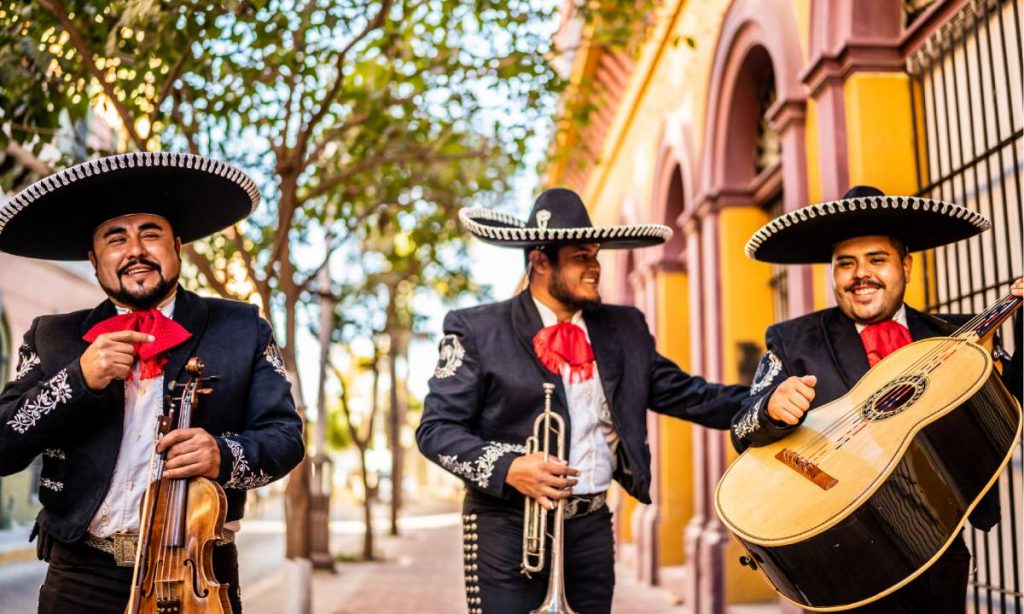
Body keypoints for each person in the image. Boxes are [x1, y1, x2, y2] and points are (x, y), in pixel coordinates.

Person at [416, 188, 760, 614]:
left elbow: (691, 395)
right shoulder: (476, 329)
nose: (595, 267)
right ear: (540, 261)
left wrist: (767, 401)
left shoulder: (624, 327)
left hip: (591, 526)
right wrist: (509, 467)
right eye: (581, 257)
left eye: (596, 255)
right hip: (505, 527)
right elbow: (436, 431)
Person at [0, 152, 306, 613]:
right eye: (115, 238)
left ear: (177, 245)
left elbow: (286, 440)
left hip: (195, 576)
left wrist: (222, 455)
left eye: (151, 233)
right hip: (80, 574)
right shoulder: (50, 336)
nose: (135, 250)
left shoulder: (244, 328)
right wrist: (77, 379)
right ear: (95, 259)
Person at [732, 185, 1022, 613]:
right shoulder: (793, 340)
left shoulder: (957, 338)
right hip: (838, 551)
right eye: (845, 263)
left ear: (905, 265)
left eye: (877, 260)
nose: (859, 274)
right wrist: (771, 410)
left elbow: (1012, 396)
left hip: (938, 550)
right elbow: (742, 428)